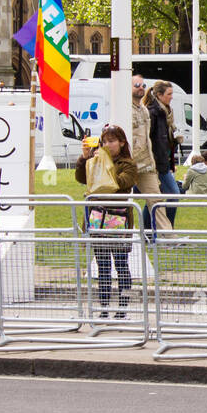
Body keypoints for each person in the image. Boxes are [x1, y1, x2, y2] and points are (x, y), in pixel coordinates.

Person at [75, 125, 139, 318]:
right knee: (102, 266)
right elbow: (82, 178)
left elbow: (119, 183)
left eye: (112, 141)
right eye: (105, 141)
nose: (107, 145)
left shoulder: (128, 163)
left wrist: (102, 165)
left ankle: (123, 307)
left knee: (121, 265)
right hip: (98, 218)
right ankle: (103, 307)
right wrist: (85, 159)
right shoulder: (96, 160)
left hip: (118, 219)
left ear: (121, 142)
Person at [130, 75, 170, 232]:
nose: (141, 87)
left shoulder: (144, 110)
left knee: (157, 199)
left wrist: (153, 162)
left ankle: (167, 235)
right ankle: (120, 233)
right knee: (119, 200)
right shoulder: (124, 109)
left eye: (143, 85)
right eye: (137, 85)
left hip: (146, 164)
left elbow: (148, 139)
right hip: (128, 164)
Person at [144, 80, 180, 225]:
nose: (171, 97)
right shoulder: (153, 113)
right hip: (157, 164)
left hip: (163, 162)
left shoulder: (165, 112)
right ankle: (167, 229)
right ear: (159, 95)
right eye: (169, 94)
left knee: (153, 199)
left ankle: (147, 231)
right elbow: (150, 140)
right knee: (173, 195)